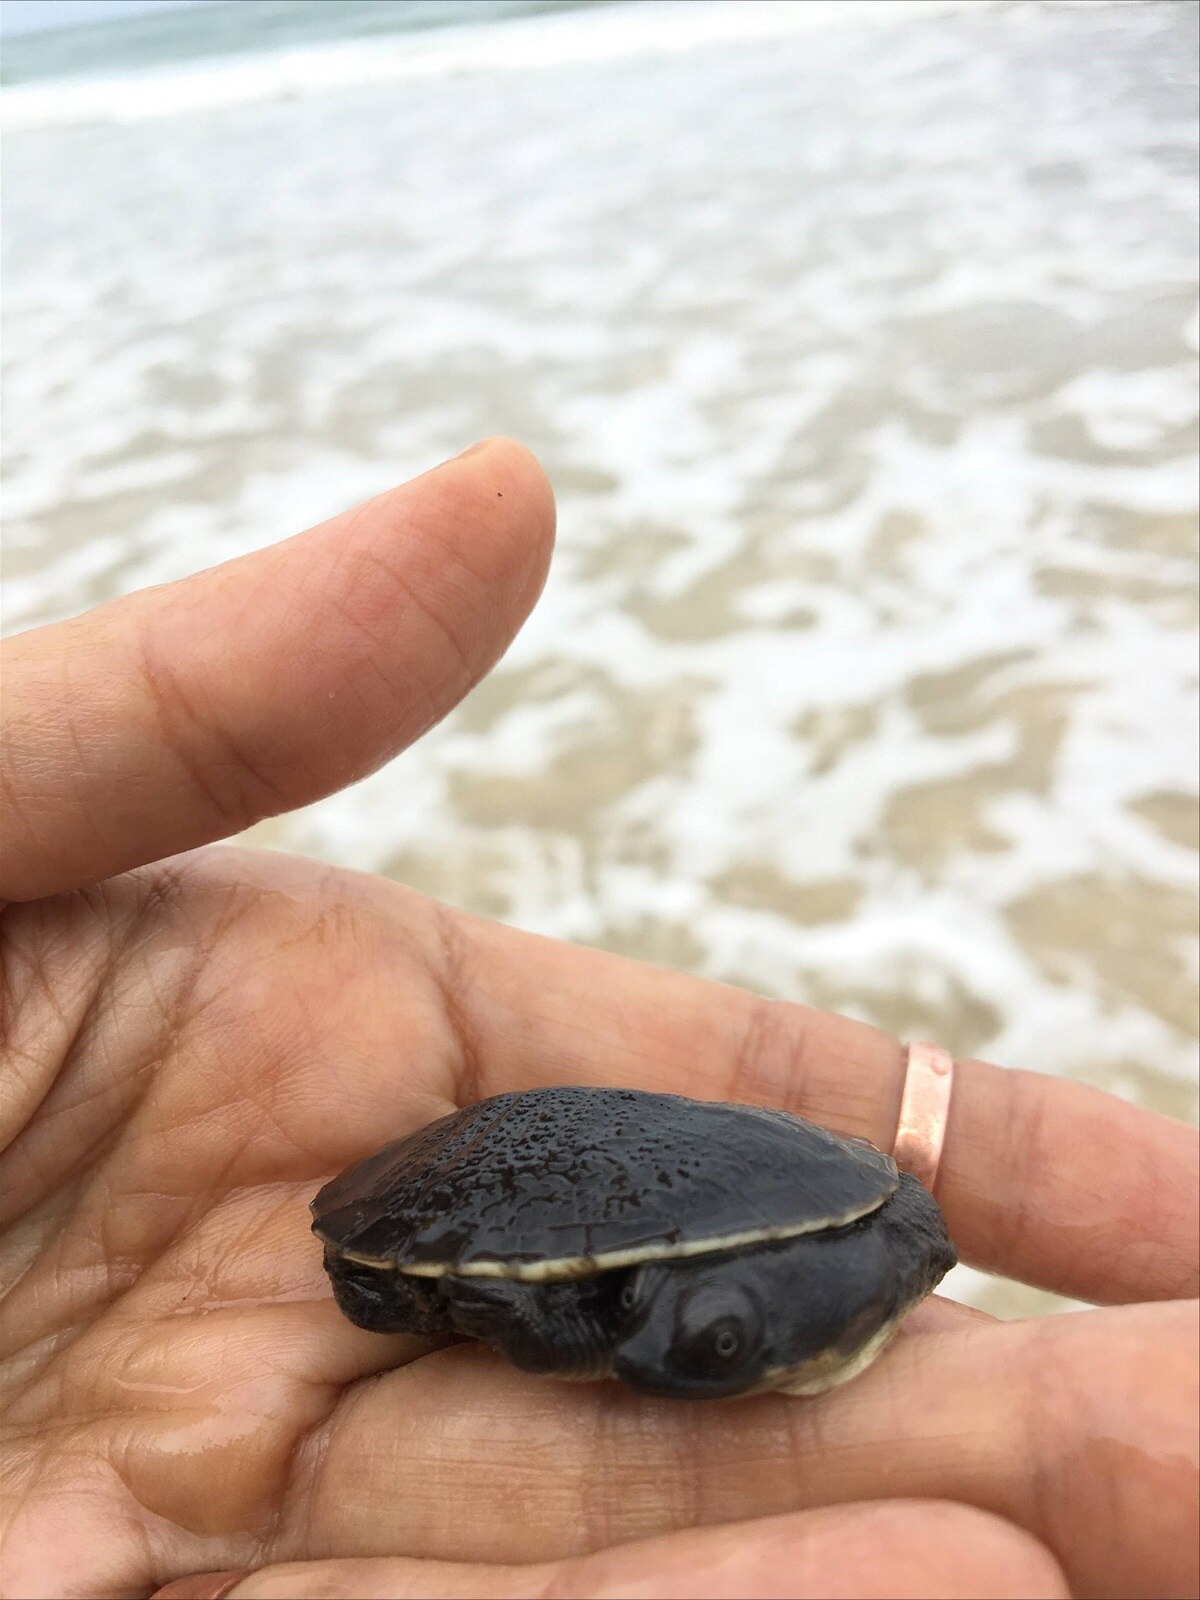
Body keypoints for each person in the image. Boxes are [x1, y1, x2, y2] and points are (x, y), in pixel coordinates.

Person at [1, 440, 1195, 1600]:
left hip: (686, 1181)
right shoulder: (630, 1295)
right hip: (454, 1192)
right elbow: (436, 1283)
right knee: (385, 1288)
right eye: (694, 1340)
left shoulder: (887, 1220)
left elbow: (908, 1219)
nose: (648, 1365)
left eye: (710, 1345)